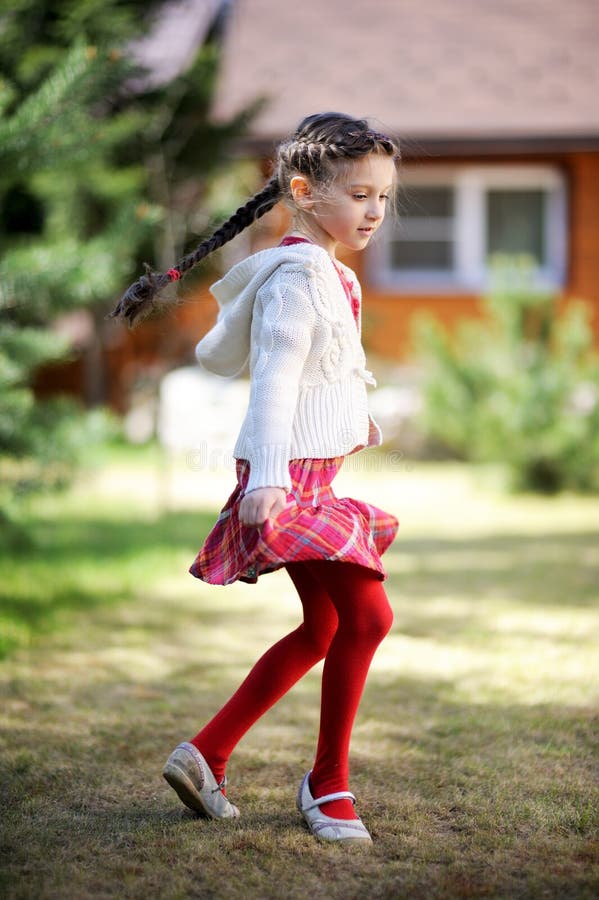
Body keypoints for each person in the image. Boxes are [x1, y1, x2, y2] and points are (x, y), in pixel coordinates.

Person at [111, 112, 400, 845]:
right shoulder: (299, 278)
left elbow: (318, 371)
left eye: (383, 197)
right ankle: (327, 782)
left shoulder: (323, 270)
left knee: (326, 626)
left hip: (313, 473)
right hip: (288, 479)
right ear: (303, 191)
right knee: (367, 618)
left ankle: (205, 754)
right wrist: (269, 477)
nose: (374, 210)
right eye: (360, 193)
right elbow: (272, 380)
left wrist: (350, 419)